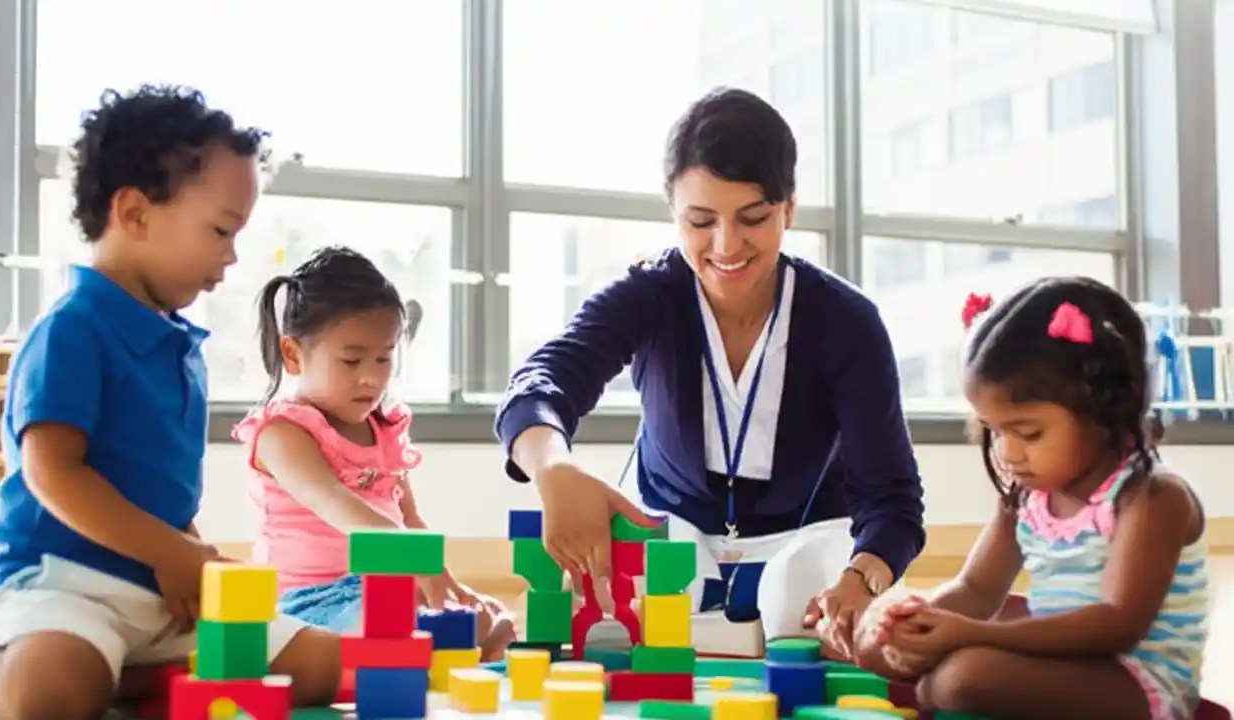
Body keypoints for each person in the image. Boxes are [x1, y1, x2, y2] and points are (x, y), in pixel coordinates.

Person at [0, 85, 341, 720]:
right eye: (220, 230)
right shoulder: (74, 327)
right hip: (58, 589)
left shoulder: (177, 346)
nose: (231, 256)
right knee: (50, 692)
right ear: (134, 213)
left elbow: (157, 492)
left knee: (319, 664)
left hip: (152, 601)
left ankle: (130, 679)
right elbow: (54, 474)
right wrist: (173, 554)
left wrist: (191, 557)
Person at [494, 87, 926, 648]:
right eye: (700, 221)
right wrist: (553, 468)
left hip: (806, 544)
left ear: (788, 209)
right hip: (674, 536)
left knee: (796, 604)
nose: (726, 246)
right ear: (673, 210)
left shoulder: (846, 321)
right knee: (622, 626)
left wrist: (861, 575)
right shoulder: (649, 294)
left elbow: (891, 499)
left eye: (753, 218)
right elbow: (541, 382)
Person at [858, 278, 1209, 720]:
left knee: (960, 679)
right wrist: (914, 623)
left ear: (1103, 409)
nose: (1007, 452)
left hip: (1137, 682)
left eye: (1028, 433)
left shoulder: (1154, 498)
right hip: (1065, 664)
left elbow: (1117, 624)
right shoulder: (1028, 499)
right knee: (879, 651)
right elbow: (976, 588)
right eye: (994, 431)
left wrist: (965, 634)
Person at [232, 246, 516, 659]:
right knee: (404, 628)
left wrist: (447, 584)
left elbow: (410, 518)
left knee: (489, 621)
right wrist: (419, 563)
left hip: (386, 585)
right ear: (293, 354)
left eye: (384, 358)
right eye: (351, 361)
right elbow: (333, 500)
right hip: (308, 602)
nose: (371, 377)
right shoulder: (283, 433)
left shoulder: (384, 429)